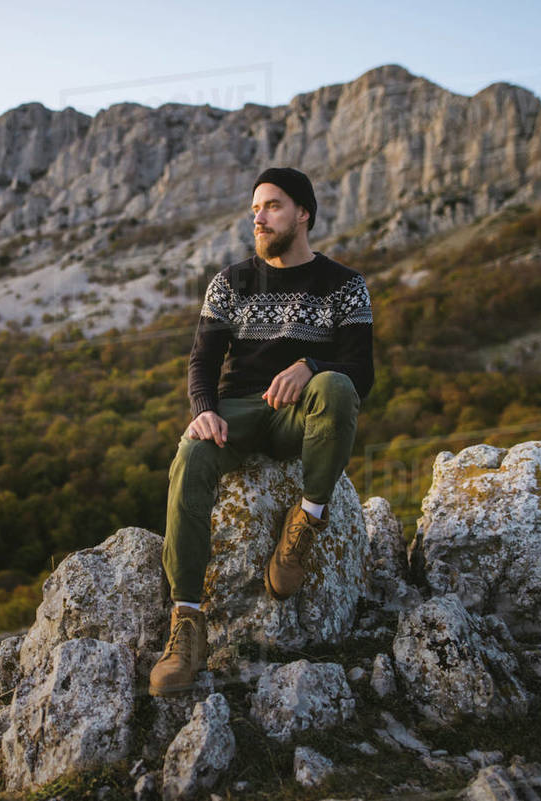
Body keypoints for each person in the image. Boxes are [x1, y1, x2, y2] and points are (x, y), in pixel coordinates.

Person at [149, 166, 374, 697]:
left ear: (303, 214)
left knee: (338, 387)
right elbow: (202, 361)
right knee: (190, 457)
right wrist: (204, 409)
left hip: (300, 414)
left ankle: (306, 521)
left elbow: (361, 373)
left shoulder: (345, 285)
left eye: (272, 206)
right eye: (255, 209)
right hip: (239, 411)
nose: (259, 218)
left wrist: (311, 367)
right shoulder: (231, 282)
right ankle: (187, 626)